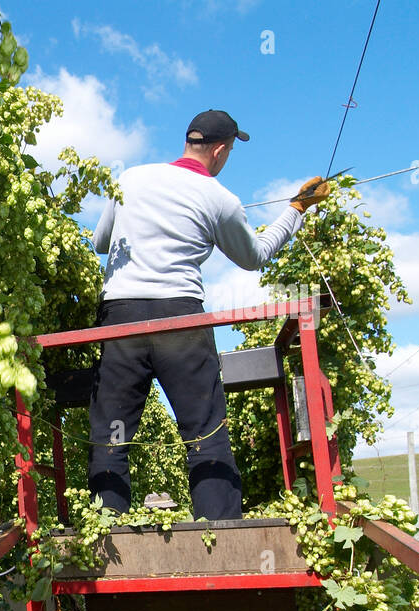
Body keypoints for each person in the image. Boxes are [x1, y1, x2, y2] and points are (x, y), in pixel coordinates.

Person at [88, 109, 332, 520]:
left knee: (110, 435)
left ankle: (105, 537)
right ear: (219, 150)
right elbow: (254, 257)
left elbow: (100, 242)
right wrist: (296, 208)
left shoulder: (129, 179)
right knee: (205, 431)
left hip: (122, 319)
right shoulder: (220, 198)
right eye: (231, 150)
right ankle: (219, 538)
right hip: (181, 319)